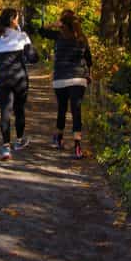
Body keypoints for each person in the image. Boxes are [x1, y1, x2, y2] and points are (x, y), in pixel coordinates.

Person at [0, 7, 39, 161]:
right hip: (19, 78)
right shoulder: (21, 36)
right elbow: (33, 58)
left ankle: (5, 147)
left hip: (2, 78)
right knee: (19, 109)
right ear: (14, 20)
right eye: (17, 17)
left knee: (5, 110)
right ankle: (19, 140)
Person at [51, 9, 92, 159]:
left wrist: (53, 25)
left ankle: (59, 138)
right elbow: (89, 60)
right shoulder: (82, 39)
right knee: (76, 110)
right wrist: (89, 75)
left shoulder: (58, 37)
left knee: (62, 108)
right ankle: (77, 146)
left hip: (60, 78)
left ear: (62, 24)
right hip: (78, 78)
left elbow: (39, 30)